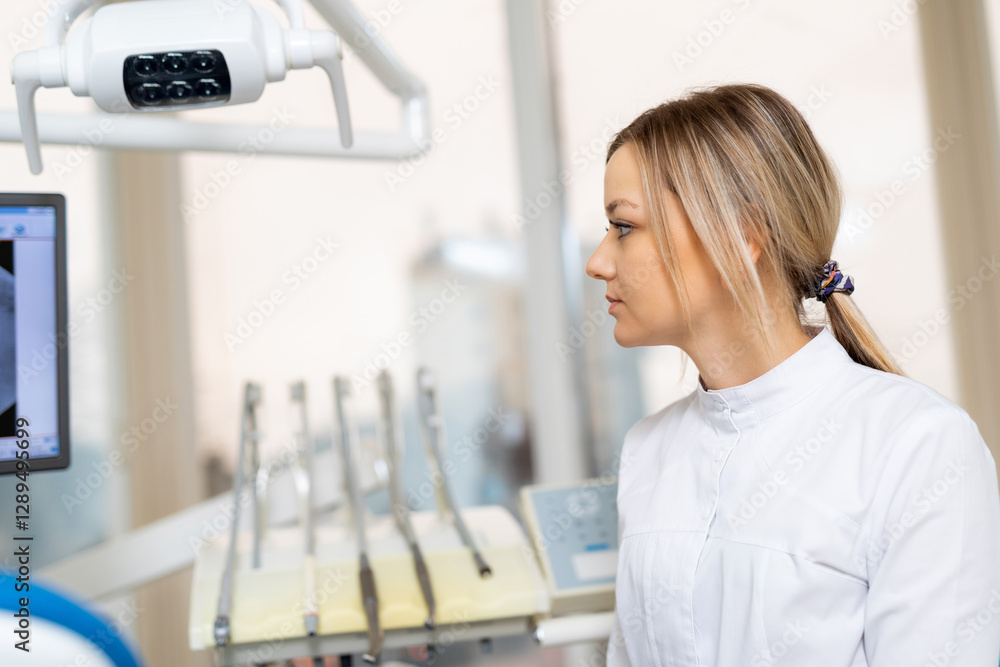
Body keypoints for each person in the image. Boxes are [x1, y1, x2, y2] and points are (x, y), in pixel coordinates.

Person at [585, 83, 1000, 666]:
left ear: (741, 238)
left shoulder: (917, 447)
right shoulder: (647, 450)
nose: (597, 261)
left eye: (623, 227)